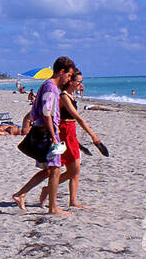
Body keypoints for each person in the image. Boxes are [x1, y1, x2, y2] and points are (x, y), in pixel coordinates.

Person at [11, 57, 75, 216]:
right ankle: (53, 208)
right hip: (46, 133)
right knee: (55, 169)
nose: (68, 79)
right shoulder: (50, 88)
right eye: (68, 75)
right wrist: (53, 136)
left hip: (45, 132)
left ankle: (20, 194)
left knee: (50, 170)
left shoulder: (48, 87)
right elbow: (47, 114)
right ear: (62, 72)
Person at [39, 69, 104, 210]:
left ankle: (73, 200)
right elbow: (78, 118)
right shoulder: (63, 96)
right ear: (71, 81)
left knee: (76, 170)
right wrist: (93, 135)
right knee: (69, 170)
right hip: (64, 132)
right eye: (78, 81)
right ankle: (47, 190)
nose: (80, 84)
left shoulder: (71, 95)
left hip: (72, 132)